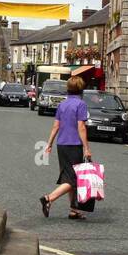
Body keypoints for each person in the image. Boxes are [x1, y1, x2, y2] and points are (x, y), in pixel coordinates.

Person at [39, 75, 92, 220]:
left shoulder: (62, 104)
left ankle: (74, 210)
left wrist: (49, 144)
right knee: (74, 179)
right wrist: (86, 147)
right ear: (80, 89)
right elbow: (81, 127)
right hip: (74, 145)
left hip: (61, 144)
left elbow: (56, 125)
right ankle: (49, 198)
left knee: (69, 176)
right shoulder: (81, 104)